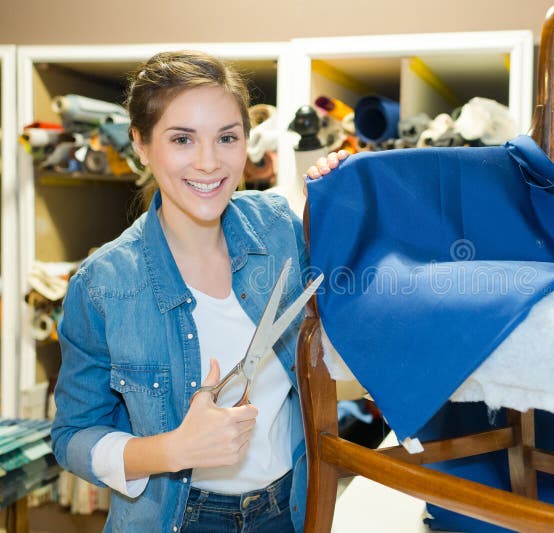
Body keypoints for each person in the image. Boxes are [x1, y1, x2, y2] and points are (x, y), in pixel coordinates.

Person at [51, 50, 345, 533]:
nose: (209, 163)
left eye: (226, 137)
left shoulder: (277, 229)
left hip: (290, 506)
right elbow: (72, 436)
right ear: (141, 145)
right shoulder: (102, 284)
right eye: (182, 139)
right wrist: (175, 449)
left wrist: (345, 203)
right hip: (177, 519)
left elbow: (347, 308)